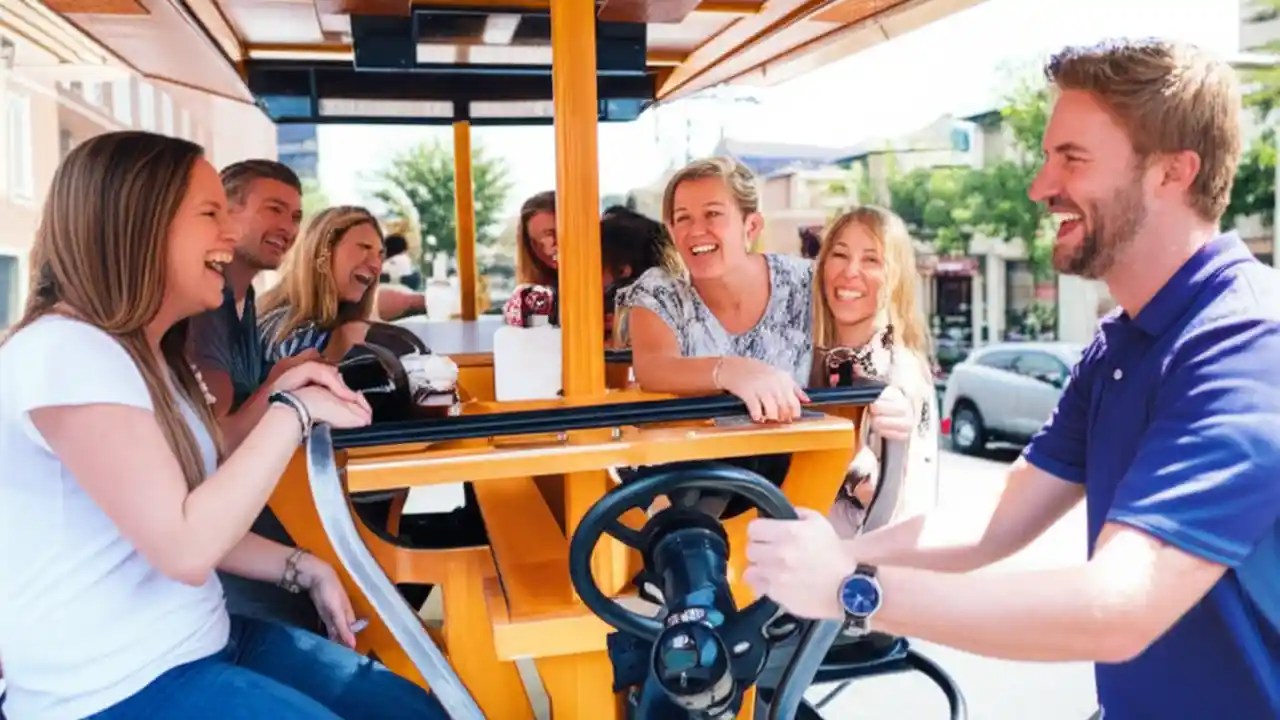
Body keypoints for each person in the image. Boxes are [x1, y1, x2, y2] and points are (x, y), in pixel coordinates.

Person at [743, 39, 1280, 720]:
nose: (1040, 186)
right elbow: (993, 525)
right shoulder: (1124, 341)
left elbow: (1118, 609)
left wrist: (854, 587)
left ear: (1172, 172)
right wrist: (830, 552)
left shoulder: (1246, 343)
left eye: (1072, 158)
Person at [0, 130, 448, 719]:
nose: (230, 234)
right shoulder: (64, 352)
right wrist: (293, 412)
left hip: (203, 639)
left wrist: (302, 567)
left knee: (413, 712)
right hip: (116, 687)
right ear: (137, 225)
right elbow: (186, 545)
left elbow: (178, 507)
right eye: (210, 213)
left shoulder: (141, 353)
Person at [618, 157, 813, 424]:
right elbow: (652, 367)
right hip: (697, 462)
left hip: (809, 457)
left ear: (751, 226)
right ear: (672, 233)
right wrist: (731, 371)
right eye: (683, 218)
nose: (696, 230)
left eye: (713, 214)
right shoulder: (660, 293)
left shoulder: (806, 282)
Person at [808, 206, 939, 537]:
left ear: (896, 278)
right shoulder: (801, 360)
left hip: (855, 574)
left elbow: (909, 511)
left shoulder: (901, 373)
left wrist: (858, 475)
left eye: (871, 260)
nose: (851, 271)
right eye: (840, 255)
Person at [188, 159, 311, 452]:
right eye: (274, 210)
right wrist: (281, 382)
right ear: (225, 210)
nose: (288, 228)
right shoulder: (204, 302)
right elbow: (216, 438)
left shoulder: (248, 297)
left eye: (295, 217)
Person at [258, 205, 385, 364]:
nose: (376, 265)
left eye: (380, 255)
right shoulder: (299, 335)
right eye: (364, 247)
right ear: (324, 249)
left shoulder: (285, 320)